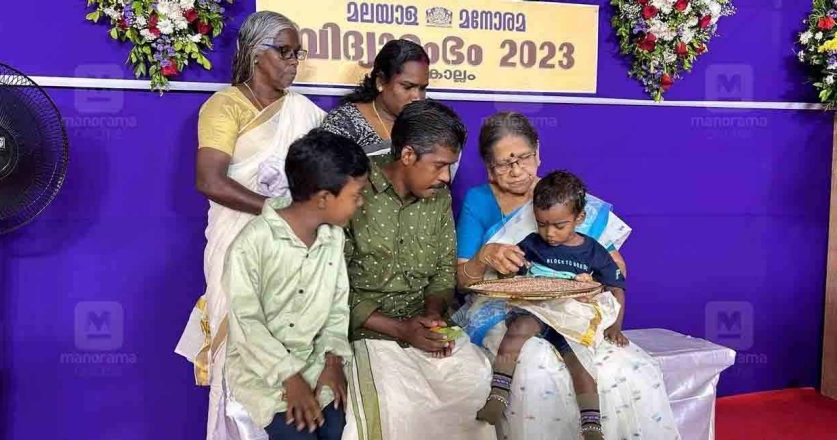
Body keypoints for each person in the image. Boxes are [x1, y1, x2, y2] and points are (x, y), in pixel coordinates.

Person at [455, 112, 680, 439]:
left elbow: (615, 268)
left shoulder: (561, 197)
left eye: (523, 158)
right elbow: (462, 280)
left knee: (627, 368)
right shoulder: (479, 201)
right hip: (507, 308)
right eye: (504, 164)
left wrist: (593, 285)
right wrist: (484, 256)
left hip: (574, 309)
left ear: (538, 152)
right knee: (536, 366)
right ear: (488, 166)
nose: (516, 170)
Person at [172, 11, 326, 440]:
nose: (293, 62)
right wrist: (278, 212)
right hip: (236, 247)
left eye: (297, 54)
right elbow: (210, 180)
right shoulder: (224, 106)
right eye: (284, 52)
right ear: (257, 54)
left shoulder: (304, 113)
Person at [341, 99, 496, 440]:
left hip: (424, 328)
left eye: (450, 167)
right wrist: (400, 329)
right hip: (367, 332)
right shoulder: (352, 191)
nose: (446, 178)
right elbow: (332, 285)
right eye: (439, 165)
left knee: (477, 383)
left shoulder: (439, 198)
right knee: (397, 409)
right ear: (408, 155)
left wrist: (432, 316)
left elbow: (443, 270)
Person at [223, 129, 369, 440]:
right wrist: (290, 377)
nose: (361, 203)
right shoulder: (251, 245)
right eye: (356, 195)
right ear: (323, 199)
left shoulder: (333, 238)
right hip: (261, 371)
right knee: (299, 433)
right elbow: (246, 323)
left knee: (336, 430)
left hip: (315, 362)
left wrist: (333, 361)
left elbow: (337, 308)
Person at [475, 171, 629, 440]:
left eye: (559, 225)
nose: (549, 233)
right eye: (542, 224)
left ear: (579, 218)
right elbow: (510, 274)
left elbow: (617, 287)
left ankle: (591, 426)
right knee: (516, 331)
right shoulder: (531, 243)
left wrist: (615, 325)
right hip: (538, 309)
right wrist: (508, 269)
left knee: (580, 364)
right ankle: (498, 395)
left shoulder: (593, 251)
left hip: (572, 316)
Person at [320, 39, 429, 155]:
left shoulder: (427, 122)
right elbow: (326, 164)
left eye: (422, 88)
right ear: (380, 82)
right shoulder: (344, 122)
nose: (417, 97)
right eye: (407, 87)